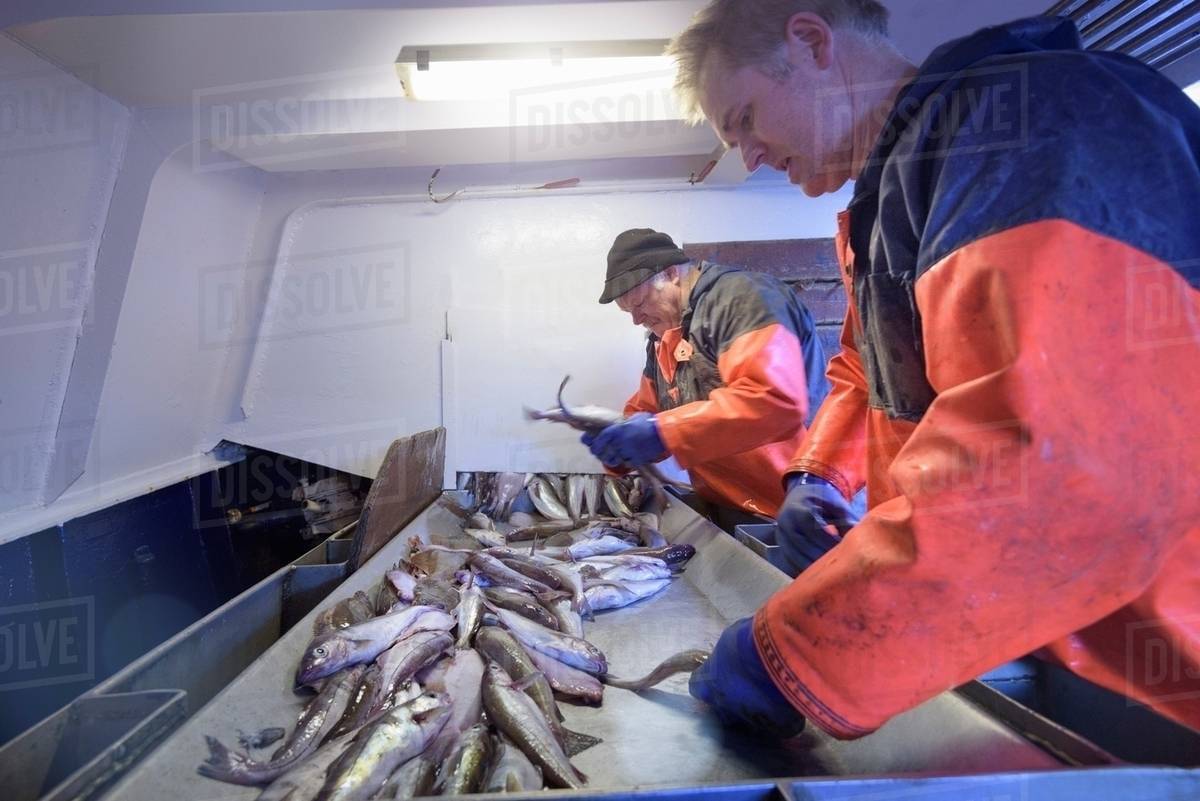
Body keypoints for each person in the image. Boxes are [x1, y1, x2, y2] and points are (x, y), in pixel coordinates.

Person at [669, 0, 1200, 738]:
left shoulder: (1027, 128)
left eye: (747, 118)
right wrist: (819, 475)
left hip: (1169, 653)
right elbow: (867, 371)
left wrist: (800, 651)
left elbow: (1060, 467)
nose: (749, 155)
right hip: (1059, 625)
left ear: (812, 41)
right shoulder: (897, 192)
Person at [583, 228, 830, 520]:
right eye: (628, 313)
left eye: (640, 303)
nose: (637, 320)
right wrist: (620, 445)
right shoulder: (662, 338)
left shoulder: (742, 300)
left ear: (672, 274)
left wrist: (662, 432)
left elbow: (772, 400)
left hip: (801, 507)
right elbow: (650, 412)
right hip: (726, 505)